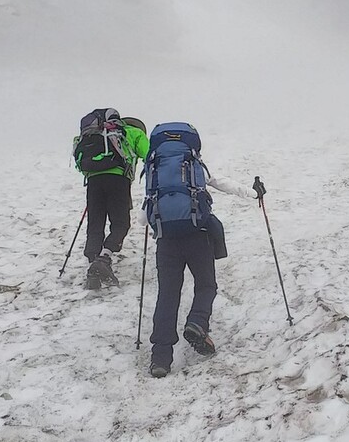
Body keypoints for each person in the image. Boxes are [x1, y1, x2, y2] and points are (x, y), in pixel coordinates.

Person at [145, 123, 247, 378]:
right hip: (197, 236)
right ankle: (197, 322)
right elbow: (221, 183)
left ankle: (160, 358)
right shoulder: (195, 166)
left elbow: (142, 214)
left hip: (166, 239)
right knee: (206, 285)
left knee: (168, 294)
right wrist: (253, 193)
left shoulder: (155, 170)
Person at [73, 109, 150, 289]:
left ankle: (93, 261)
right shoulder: (132, 133)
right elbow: (150, 155)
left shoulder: (97, 133)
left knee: (95, 223)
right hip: (118, 181)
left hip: (93, 180)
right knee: (121, 223)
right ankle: (104, 258)